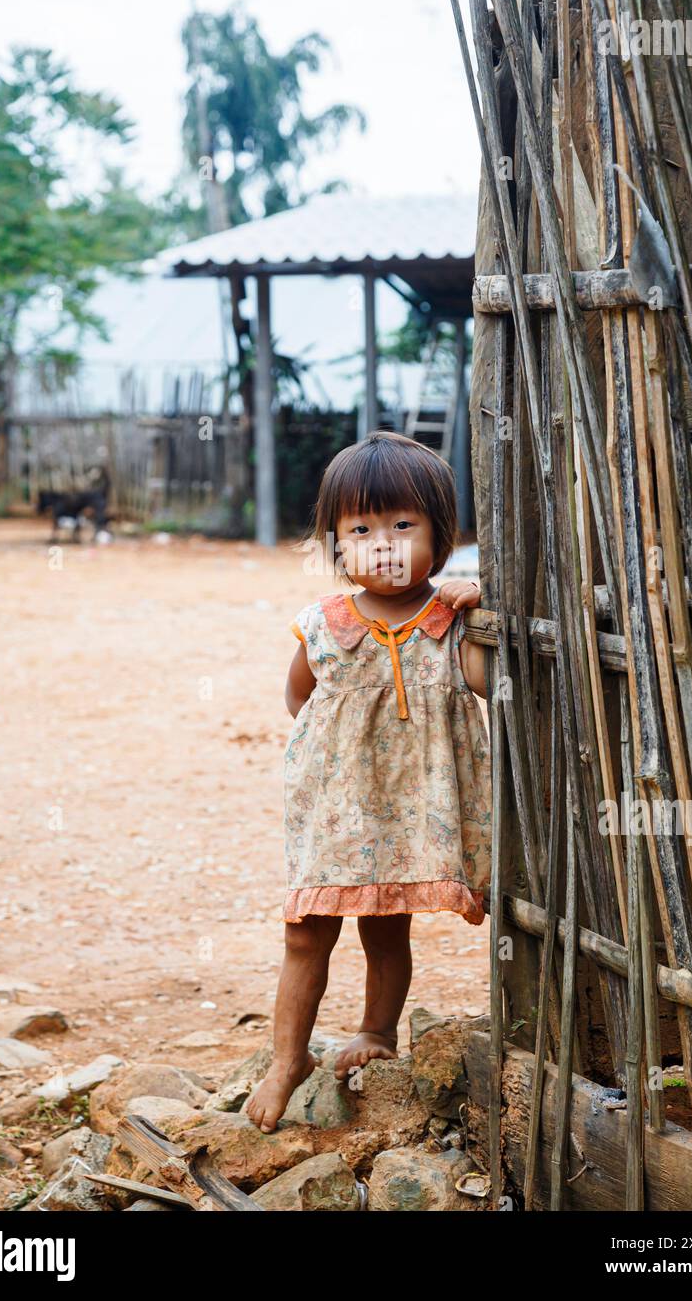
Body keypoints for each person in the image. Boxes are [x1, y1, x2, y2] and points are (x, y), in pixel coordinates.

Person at [244, 430, 492, 1133]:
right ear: (335, 541)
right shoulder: (323, 624)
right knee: (306, 932)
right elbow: (300, 699)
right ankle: (286, 1060)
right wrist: (343, 756)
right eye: (361, 528)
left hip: (407, 813)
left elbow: (480, 685)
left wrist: (478, 607)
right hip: (332, 807)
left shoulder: (448, 620)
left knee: (387, 932)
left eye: (402, 525)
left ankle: (376, 1031)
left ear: (441, 537)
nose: (382, 543)